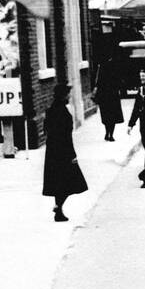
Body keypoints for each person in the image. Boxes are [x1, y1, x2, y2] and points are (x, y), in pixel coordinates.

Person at [41, 83, 88, 222]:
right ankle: (58, 206)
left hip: (52, 151)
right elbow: (66, 136)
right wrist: (72, 154)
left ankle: (58, 210)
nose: (69, 96)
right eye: (67, 94)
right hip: (63, 151)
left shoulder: (51, 110)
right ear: (63, 95)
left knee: (58, 182)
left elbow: (46, 130)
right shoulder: (62, 111)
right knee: (71, 181)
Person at [91, 58, 123, 141]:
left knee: (106, 115)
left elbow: (97, 82)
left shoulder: (101, 67)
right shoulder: (116, 67)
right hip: (113, 95)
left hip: (104, 95)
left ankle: (107, 132)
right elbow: (120, 81)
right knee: (113, 116)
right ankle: (111, 135)